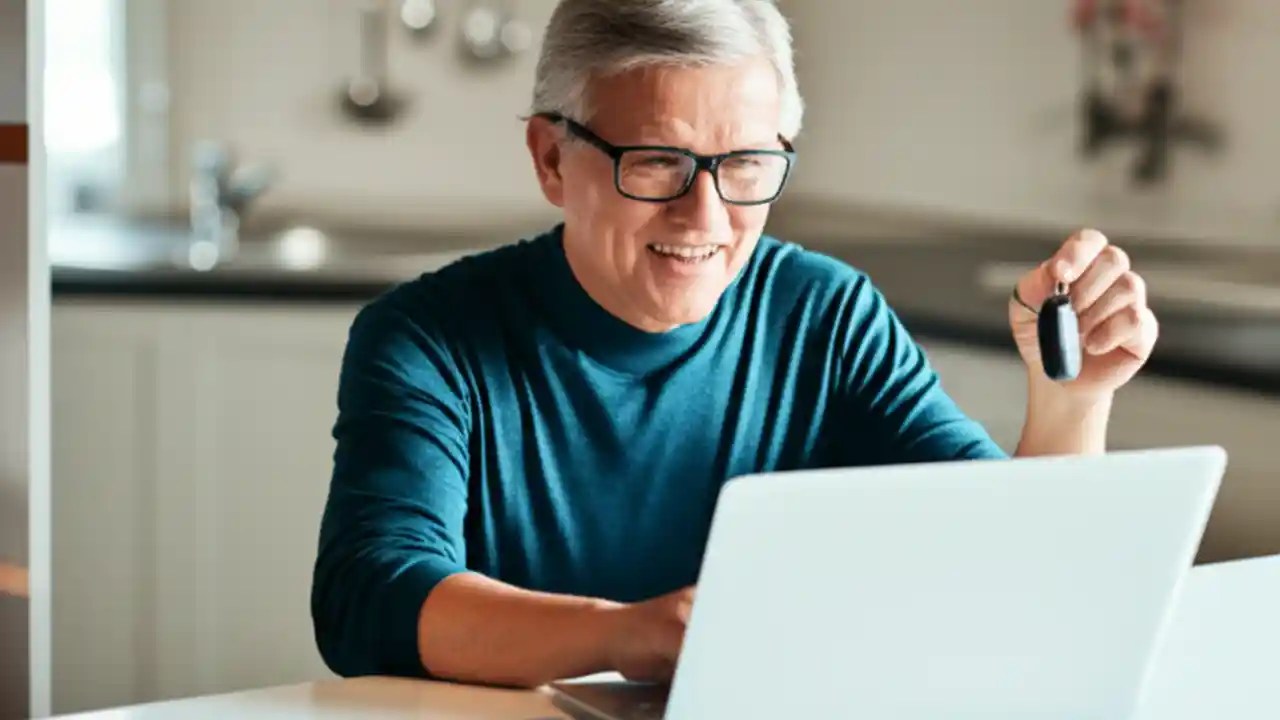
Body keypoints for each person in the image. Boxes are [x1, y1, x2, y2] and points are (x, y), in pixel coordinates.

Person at [310, 0, 1159, 690]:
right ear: (549, 158)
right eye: (655, 164)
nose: (705, 219)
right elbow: (371, 598)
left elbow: (1010, 565)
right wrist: (625, 635)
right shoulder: (426, 341)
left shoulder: (824, 317)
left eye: (747, 164)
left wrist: (1071, 401)